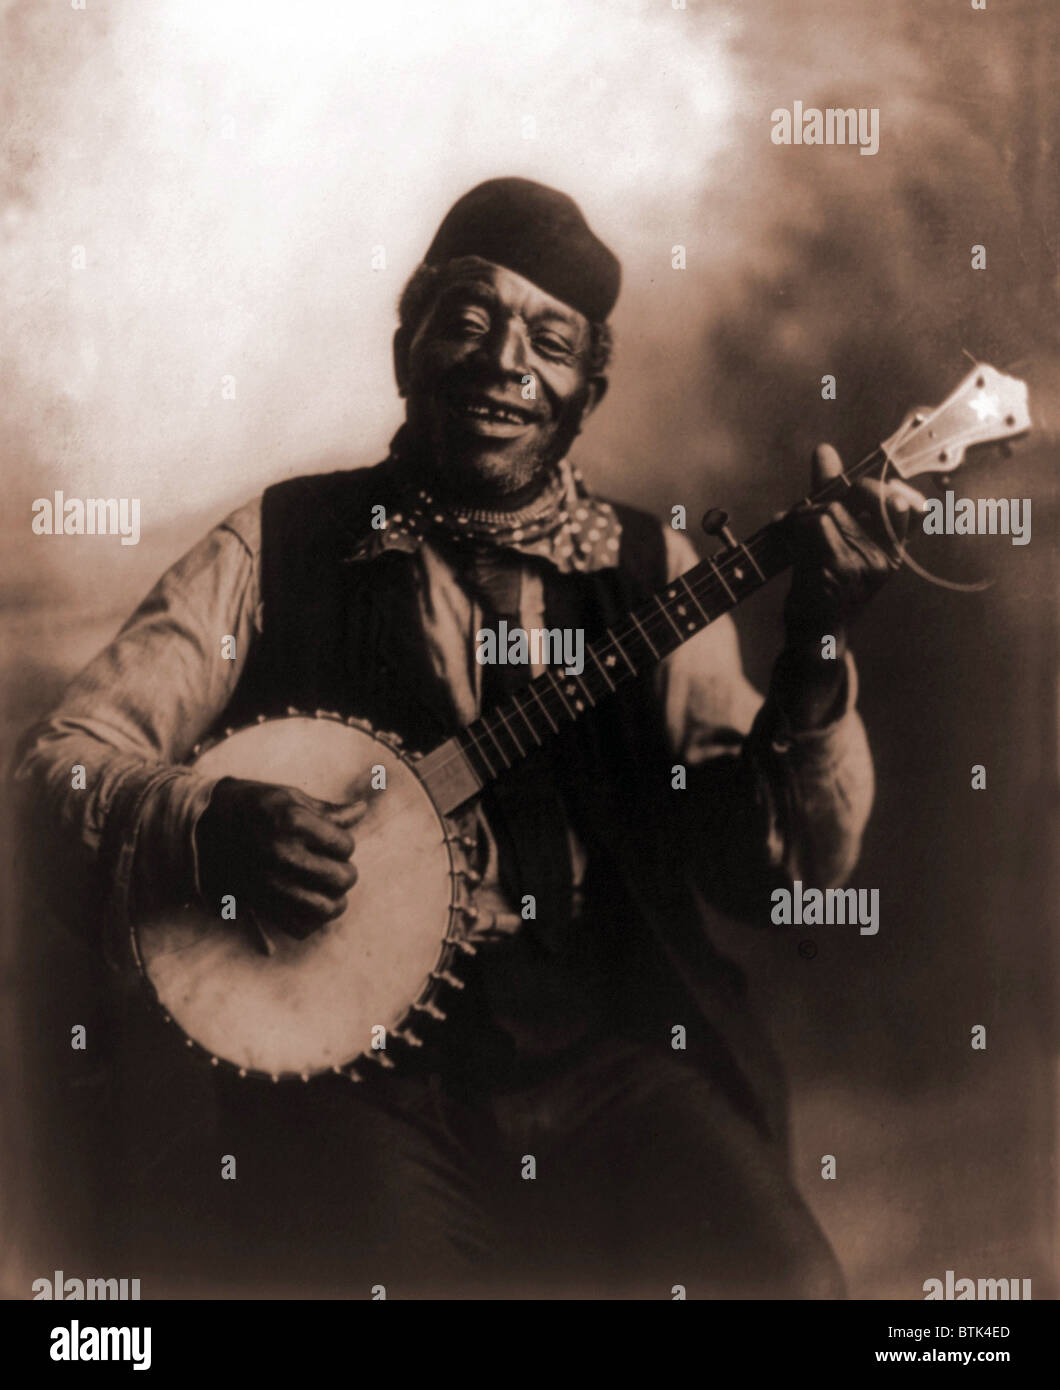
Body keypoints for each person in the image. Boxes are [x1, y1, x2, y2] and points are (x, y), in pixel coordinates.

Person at [14, 177, 922, 1299]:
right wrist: (205, 824)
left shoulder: (654, 572)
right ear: (408, 344)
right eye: (470, 319)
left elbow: (791, 869)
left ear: (587, 389)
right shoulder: (276, 543)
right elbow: (53, 765)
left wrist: (818, 644)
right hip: (360, 1084)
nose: (505, 361)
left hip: (611, 1059)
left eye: (549, 339)